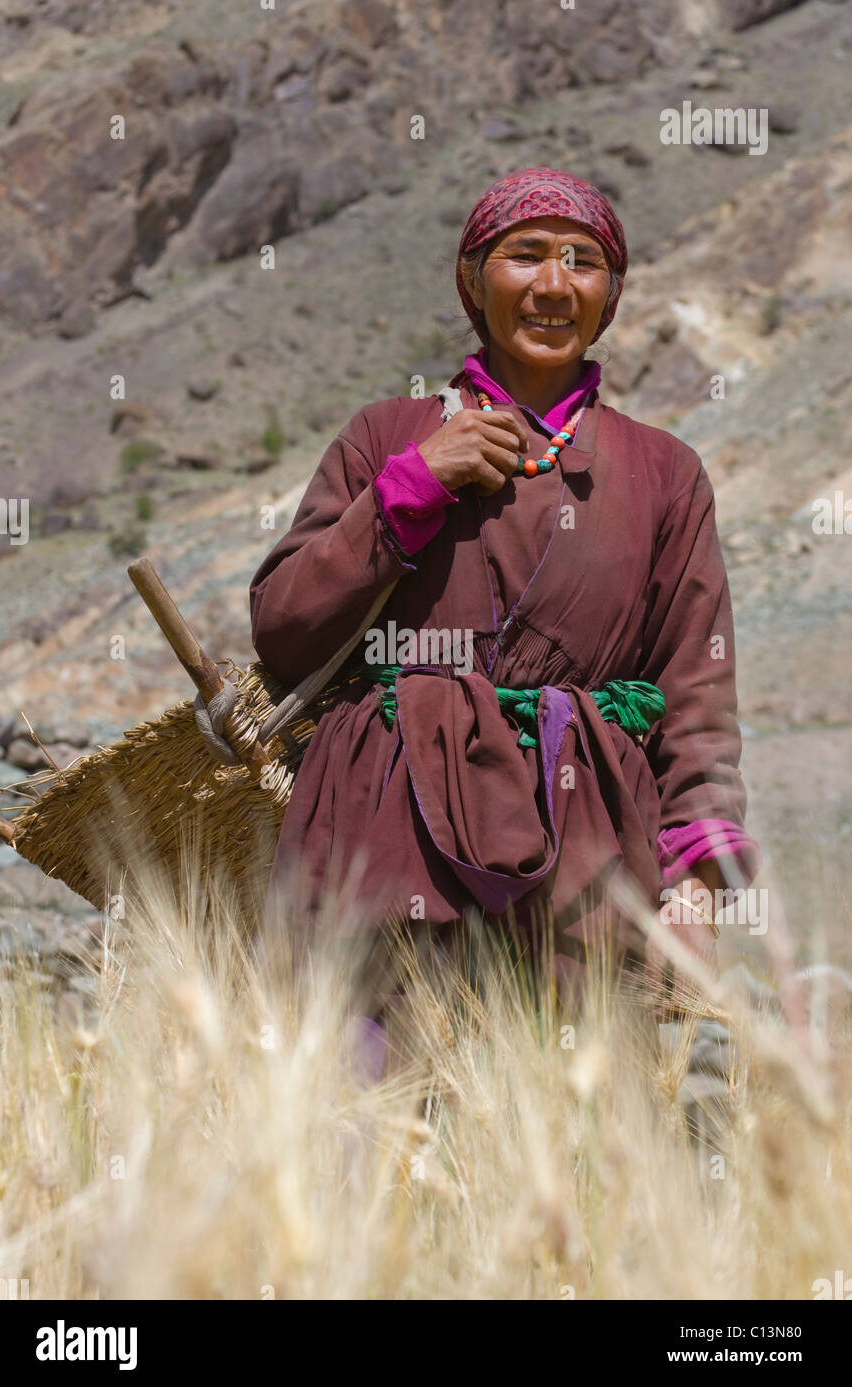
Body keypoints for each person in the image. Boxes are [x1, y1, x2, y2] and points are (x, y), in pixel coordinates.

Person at [249, 167, 760, 1019]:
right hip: (386, 816)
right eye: (525, 256)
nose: (554, 285)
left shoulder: (664, 472)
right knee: (368, 1119)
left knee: (570, 1126)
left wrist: (696, 888)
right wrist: (409, 492)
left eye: (582, 261)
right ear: (471, 282)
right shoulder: (386, 436)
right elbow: (283, 627)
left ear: (612, 295)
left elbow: (696, 693)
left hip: (588, 836)